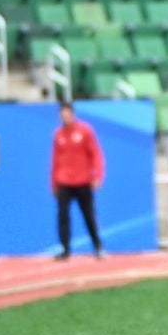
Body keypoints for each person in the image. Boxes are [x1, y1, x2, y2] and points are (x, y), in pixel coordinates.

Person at [51, 100, 105, 261]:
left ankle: (98, 246)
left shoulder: (85, 131)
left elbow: (96, 154)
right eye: (62, 115)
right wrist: (53, 182)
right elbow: (55, 160)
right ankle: (65, 249)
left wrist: (98, 175)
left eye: (67, 114)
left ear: (73, 114)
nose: (65, 118)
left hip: (83, 180)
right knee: (62, 216)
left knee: (89, 215)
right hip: (64, 181)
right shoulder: (58, 134)